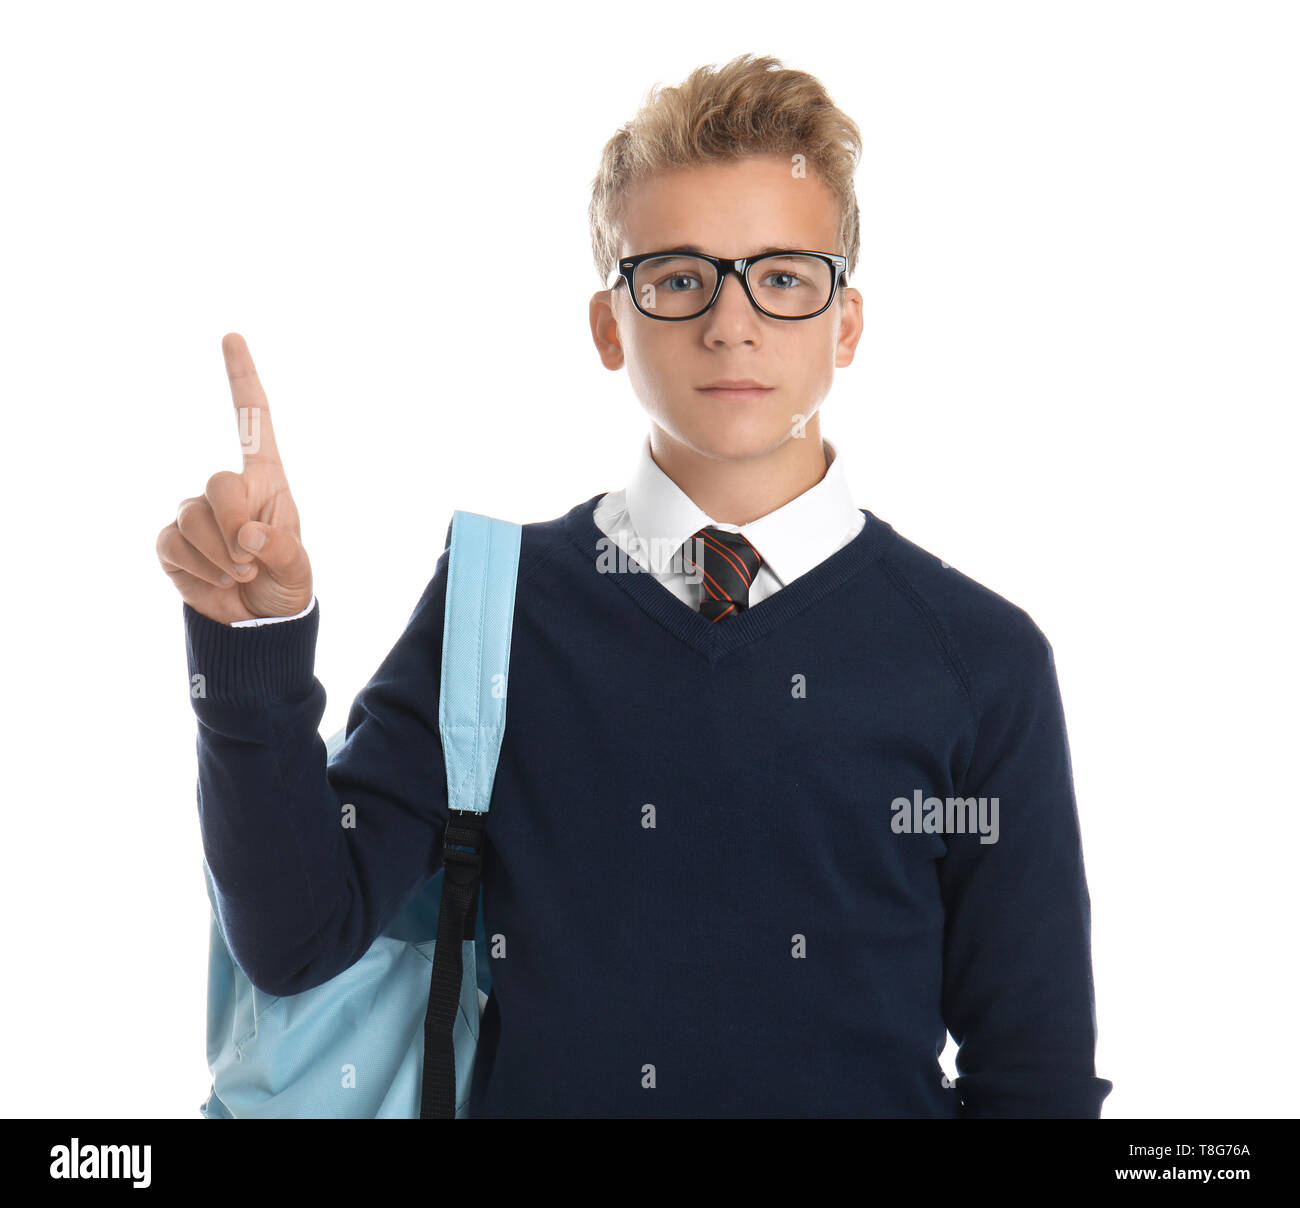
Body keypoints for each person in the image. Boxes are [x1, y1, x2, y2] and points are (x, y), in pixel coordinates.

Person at [156, 52, 1112, 1118]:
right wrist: (257, 640)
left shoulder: (982, 661)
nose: (731, 321)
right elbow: (295, 936)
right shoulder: (498, 611)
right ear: (611, 322)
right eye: (678, 277)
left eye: (784, 275)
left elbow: (1033, 1079)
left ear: (846, 322)